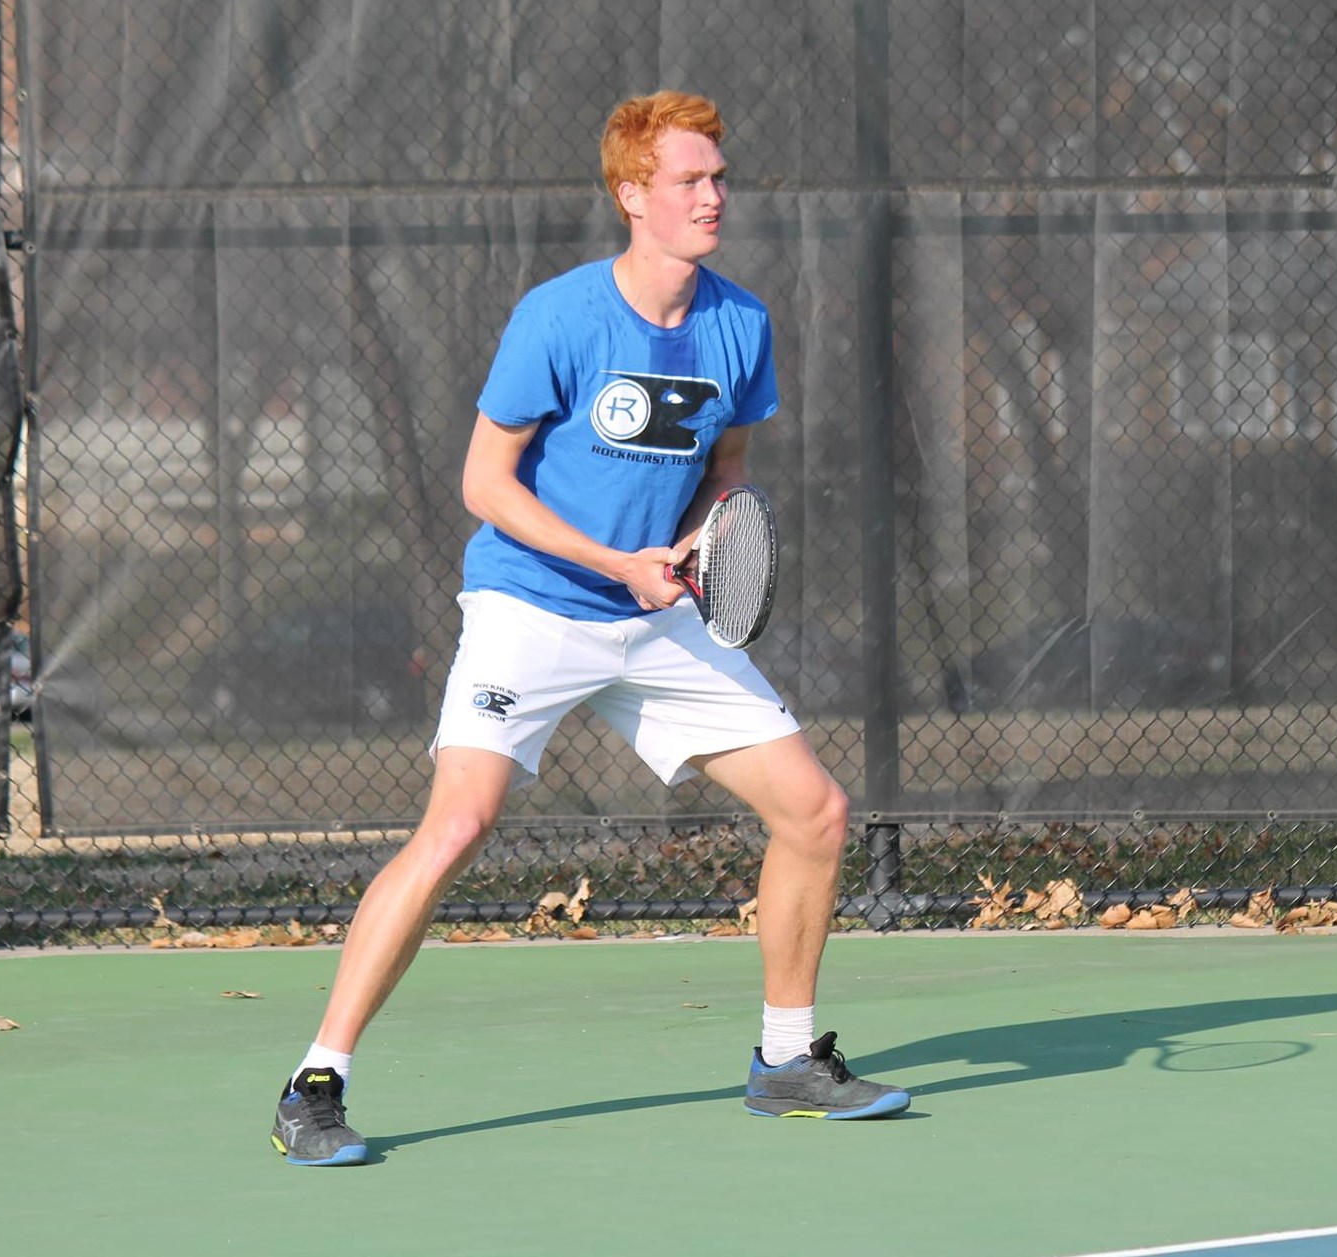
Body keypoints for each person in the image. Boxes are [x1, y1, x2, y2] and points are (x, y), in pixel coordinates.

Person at [270, 89, 909, 1167]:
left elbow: (728, 474)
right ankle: (315, 1082)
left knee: (816, 811)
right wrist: (615, 561)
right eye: (687, 182)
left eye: (717, 178)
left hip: (660, 618)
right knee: (457, 828)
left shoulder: (738, 322)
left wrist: (704, 546)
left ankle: (786, 1062)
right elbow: (484, 481)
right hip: (532, 608)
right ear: (631, 197)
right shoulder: (559, 318)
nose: (711, 197)